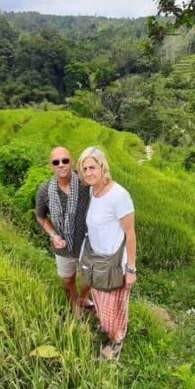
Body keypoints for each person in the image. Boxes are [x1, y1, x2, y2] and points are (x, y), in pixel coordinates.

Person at [78, 146, 137, 360]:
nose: (88, 172)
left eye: (92, 167)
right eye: (84, 169)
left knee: (115, 305)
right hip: (96, 260)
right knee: (101, 299)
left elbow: (130, 234)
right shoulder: (93, 191)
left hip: (114, 263)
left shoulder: (119, 195)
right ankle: (107, 328)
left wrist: (131, 269)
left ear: (103, 167)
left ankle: (116, 341)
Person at [36, 146, 92, 312]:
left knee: (89, 279)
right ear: (51, 166)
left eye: (65, 161)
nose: (61, 165)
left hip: (87, 244)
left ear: (71, 162)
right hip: (63, 246)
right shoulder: (44, 191)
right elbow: (41, 216)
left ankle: (83, 298)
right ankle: (74, 305)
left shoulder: (85, 183)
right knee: (68, 281)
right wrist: (53, 235)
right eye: (56, 162)